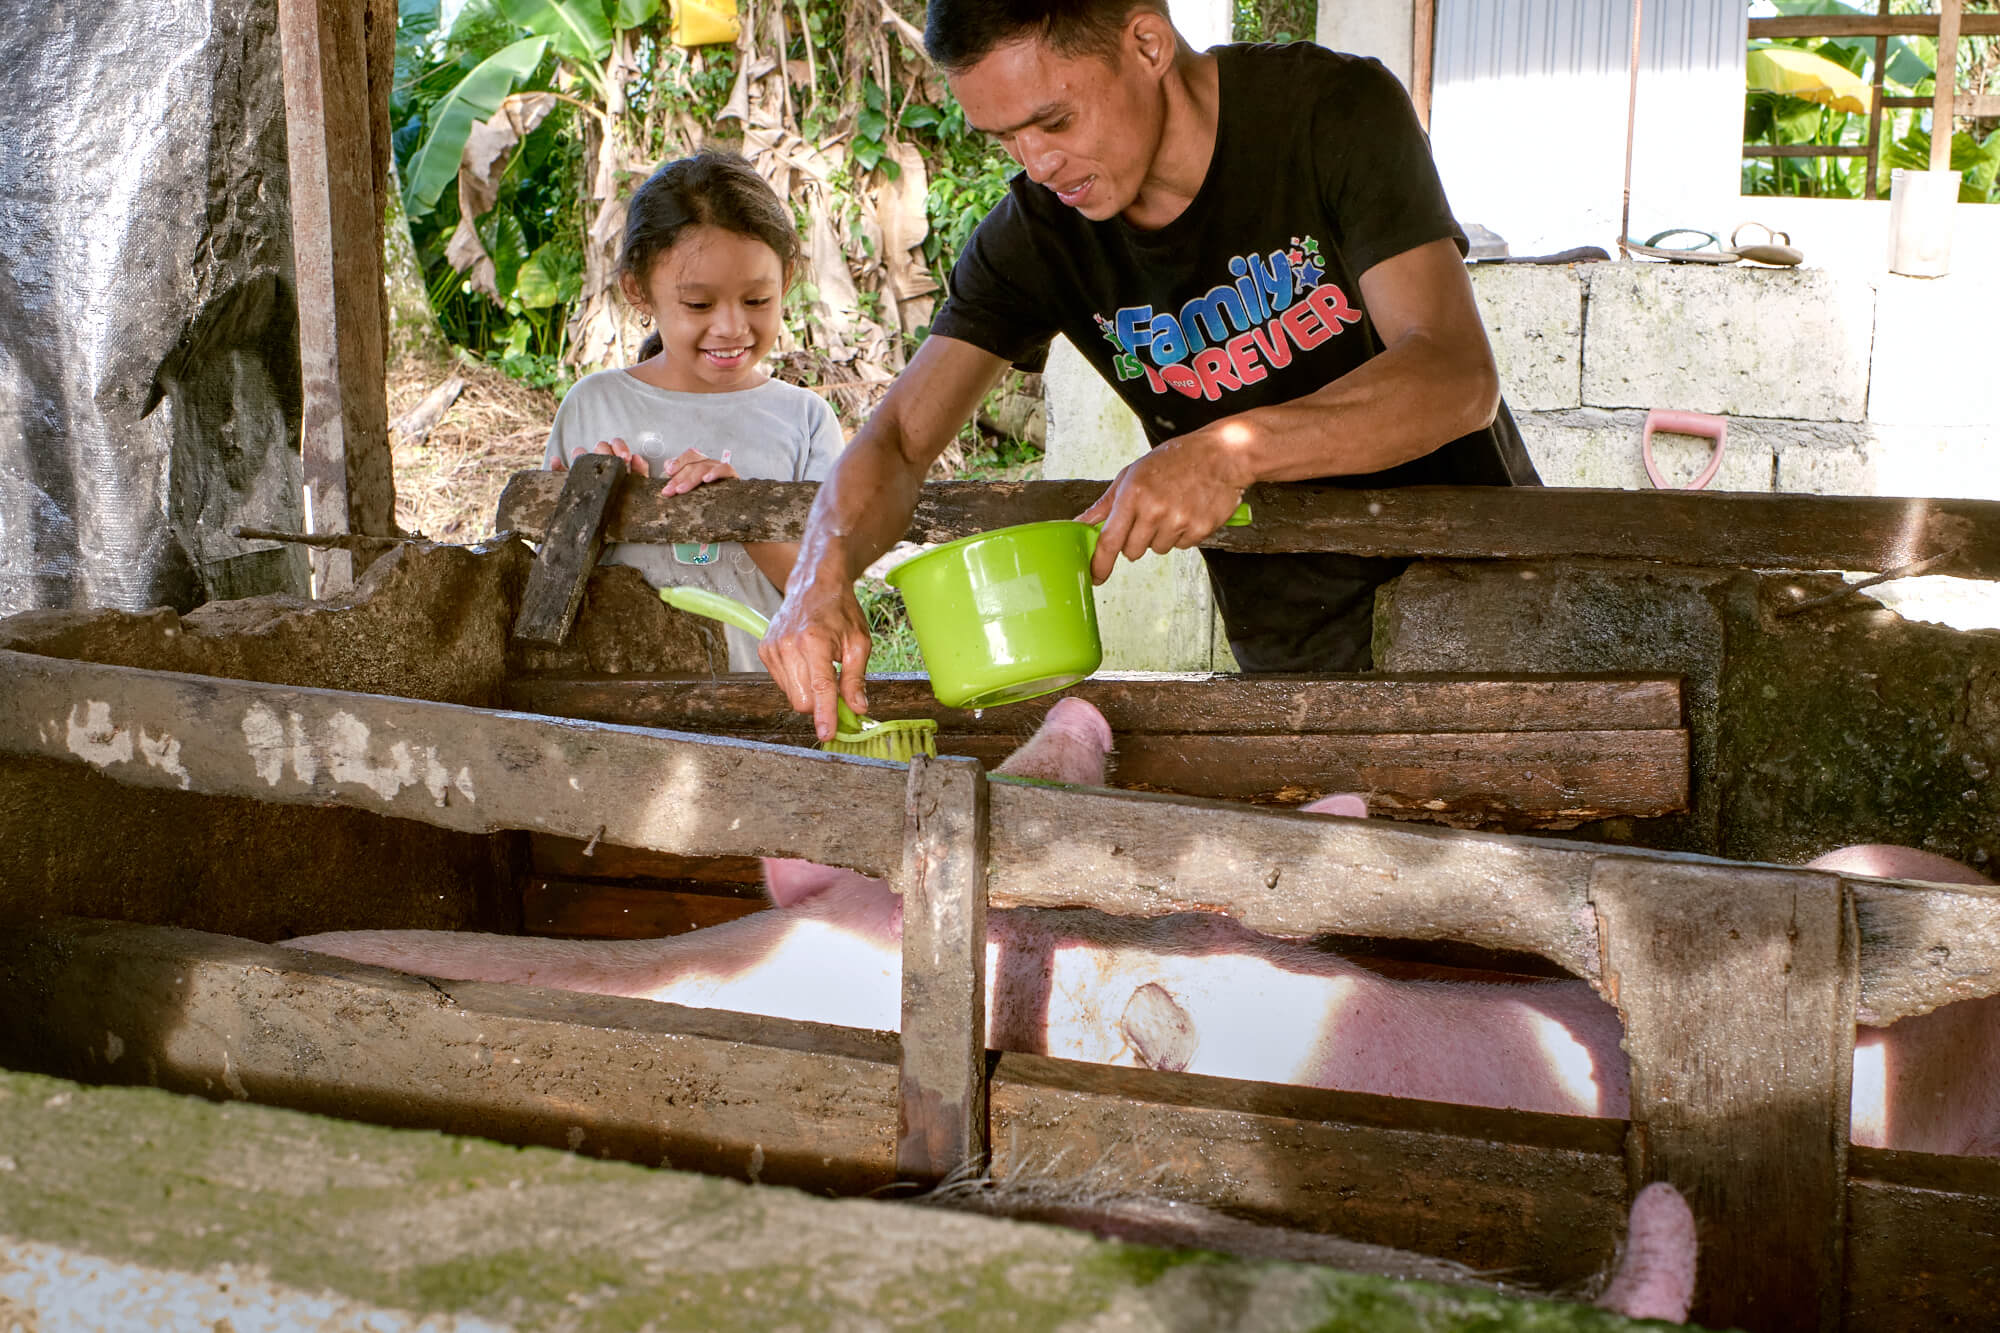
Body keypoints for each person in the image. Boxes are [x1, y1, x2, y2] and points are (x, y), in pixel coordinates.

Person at [759, 0, 1539, 740]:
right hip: (1296, 660)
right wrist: (819, 576)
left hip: (1492, 606)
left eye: (1054, 121)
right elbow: (897, 439)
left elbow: (1453, 375)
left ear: (1147, 45)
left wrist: (1225, 451)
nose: (1038, 165)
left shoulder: (1328, 112)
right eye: (1005, 140)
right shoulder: (1037, 237)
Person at [544, 149, 844, 673]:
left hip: (767, 709)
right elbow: (551, 579)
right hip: (621, 707)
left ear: (787, 279)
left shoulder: (805, 419)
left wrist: (738, 509)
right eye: (699, 305)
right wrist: (593, 499)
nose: (731, 327)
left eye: (756, 301)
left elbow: (826, 595)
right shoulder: (595, 406)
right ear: (639, 290)